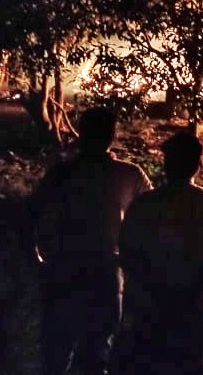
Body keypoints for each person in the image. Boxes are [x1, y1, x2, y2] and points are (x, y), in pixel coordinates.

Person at [28, 107, 153, 375]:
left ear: (81, 134)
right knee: (96, 351)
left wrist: (36, 256)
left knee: (56, 351)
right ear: (112, 136)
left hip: (63, 269)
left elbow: (30, 215)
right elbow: (154, 219)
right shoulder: (130, 175)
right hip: (105, 272)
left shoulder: (60, 174)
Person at [116, 131, 203, 375]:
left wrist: (150, 284)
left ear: (166, 163)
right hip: (193, 308)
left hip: (147, 307)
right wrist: (193, 287)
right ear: (198, 165)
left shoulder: (144, 204)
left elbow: (126, 250)